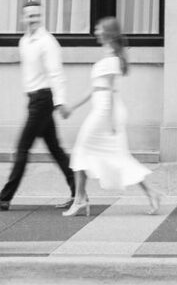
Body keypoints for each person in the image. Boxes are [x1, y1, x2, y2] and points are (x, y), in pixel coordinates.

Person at [61, 17, 160, 216]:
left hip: (106, 112)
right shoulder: (109, 56)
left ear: (107, 33)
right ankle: (151, 193)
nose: (95, 31)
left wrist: (110, 121)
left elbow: (112, 92)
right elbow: (93, 88)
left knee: (82, 150)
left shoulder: (113, 60)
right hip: (102, 110)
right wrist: (72, 107)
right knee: (115, 156)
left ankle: (80, 199)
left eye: (98, 28)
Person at [0, 0, 76, 211]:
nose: (32, 19)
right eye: (29, 16)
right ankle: (78, 192)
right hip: (34, 100)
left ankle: (5, 197)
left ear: (41, 17)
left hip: (43, 100)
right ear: (23, 18)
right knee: (56, 149)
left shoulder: (48, 42)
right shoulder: (24, 41)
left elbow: (56, 73)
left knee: (22, 148)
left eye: (36, 15)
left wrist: (61, 101)